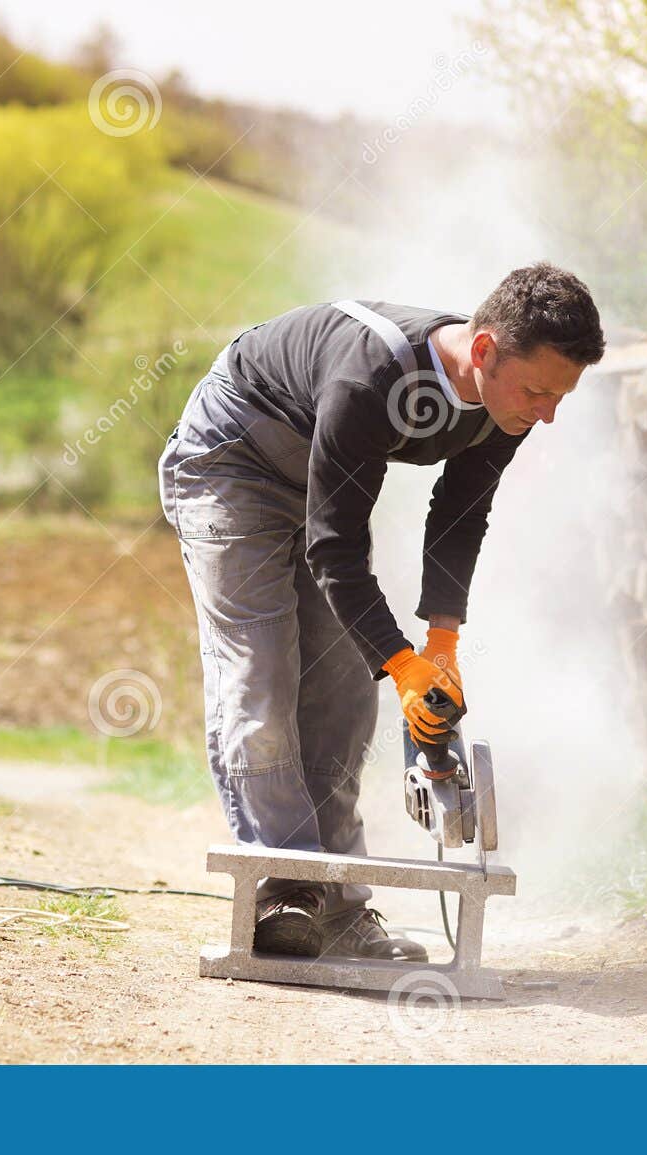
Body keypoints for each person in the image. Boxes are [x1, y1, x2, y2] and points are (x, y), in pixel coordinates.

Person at [158, 262, 605, 959]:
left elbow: (460, 515)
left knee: (345, 691)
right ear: (484, 349)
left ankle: (337, 907)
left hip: (319, 481)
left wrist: (440, 646)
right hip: (231, 463)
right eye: (540, 392)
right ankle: (286, 890)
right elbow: (335, 551)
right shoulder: (371, 380)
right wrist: (400, 663)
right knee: (261, 675)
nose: (547, 414)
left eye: (561, 397)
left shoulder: (507, 402)